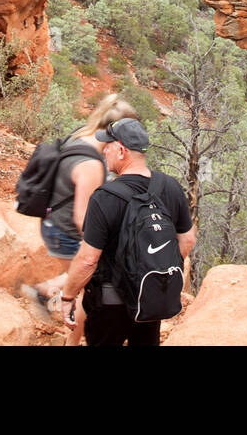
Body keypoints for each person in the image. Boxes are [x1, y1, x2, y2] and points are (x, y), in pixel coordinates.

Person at [59, 117, 196, 347]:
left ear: (121, 150)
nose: (104, 152)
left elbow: (87, 260)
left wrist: (68, 296)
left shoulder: (104, 197)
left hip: (110, 302)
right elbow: (188, 239)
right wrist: (156, 268)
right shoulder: (170, 186)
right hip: (150, 295)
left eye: (108, 146)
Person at [20, 94, 133, 345]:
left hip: (54, 222)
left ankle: (46, 290)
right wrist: (103, 247)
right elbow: (82, 217)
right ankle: (72, 340)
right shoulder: (91, 165)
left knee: (83, 276)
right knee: (89, 286)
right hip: (67, 233)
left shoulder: (83, 135)